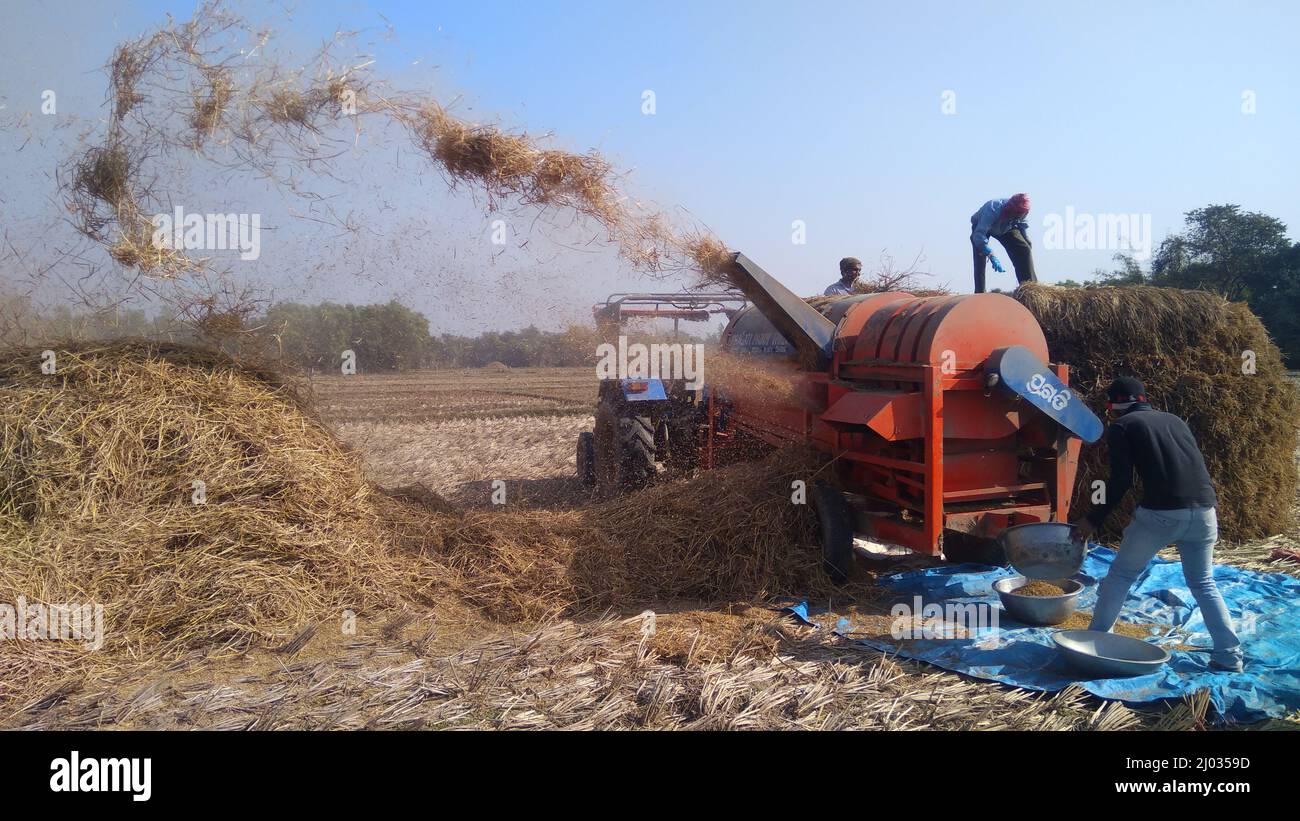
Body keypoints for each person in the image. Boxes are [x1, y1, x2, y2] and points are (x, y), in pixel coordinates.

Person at [1073, 377, 1243, 672]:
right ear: (1143, 398)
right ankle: (1229, 656)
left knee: (1122, 575)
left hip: (1162, 514)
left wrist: (1092, 519)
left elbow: (1120, 481)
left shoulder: (1122, 427)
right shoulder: (1175, 420)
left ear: (1114, 405)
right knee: (1204, 583)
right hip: (1205, 511)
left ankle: (1096, 644)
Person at [970, 193, 1036, 293]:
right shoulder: (992, 209)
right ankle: (980, 292)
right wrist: (990, 254)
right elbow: (979, 235)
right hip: (983, 227)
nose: (1020, 215)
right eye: (1017, 213)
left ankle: (1030, 290)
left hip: (1006, 227)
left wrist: (1026, 238)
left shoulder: (1023, 210)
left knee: (1024, 249)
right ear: (1012, 209)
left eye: (1022, 214)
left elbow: (1022, 223)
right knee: (980, 256)